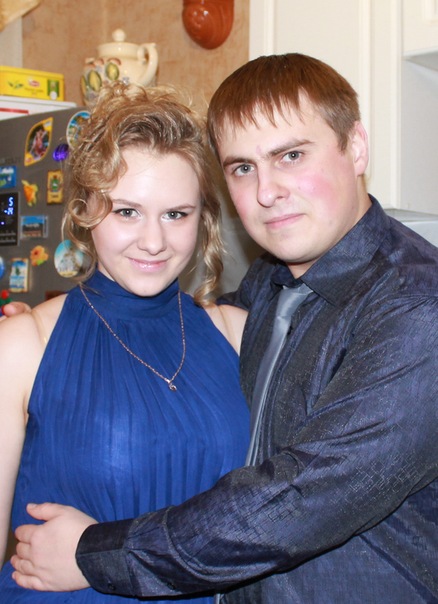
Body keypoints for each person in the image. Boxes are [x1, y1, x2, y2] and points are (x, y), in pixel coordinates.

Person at [9, 53, 438, 603]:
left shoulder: (416, 306)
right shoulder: (266, 287)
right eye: (242, 168)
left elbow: (300, 501)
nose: (266, 191)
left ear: (356, 147)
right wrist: (41, 335)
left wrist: (94, 553)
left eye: (291, 155)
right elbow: (179, 330)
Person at [0, 82, 251, 603]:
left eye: (176, 214)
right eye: (127, 211)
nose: (154, 242)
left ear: (203, 218)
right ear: (84, 209)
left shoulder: (237, 333)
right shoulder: (23, 345)